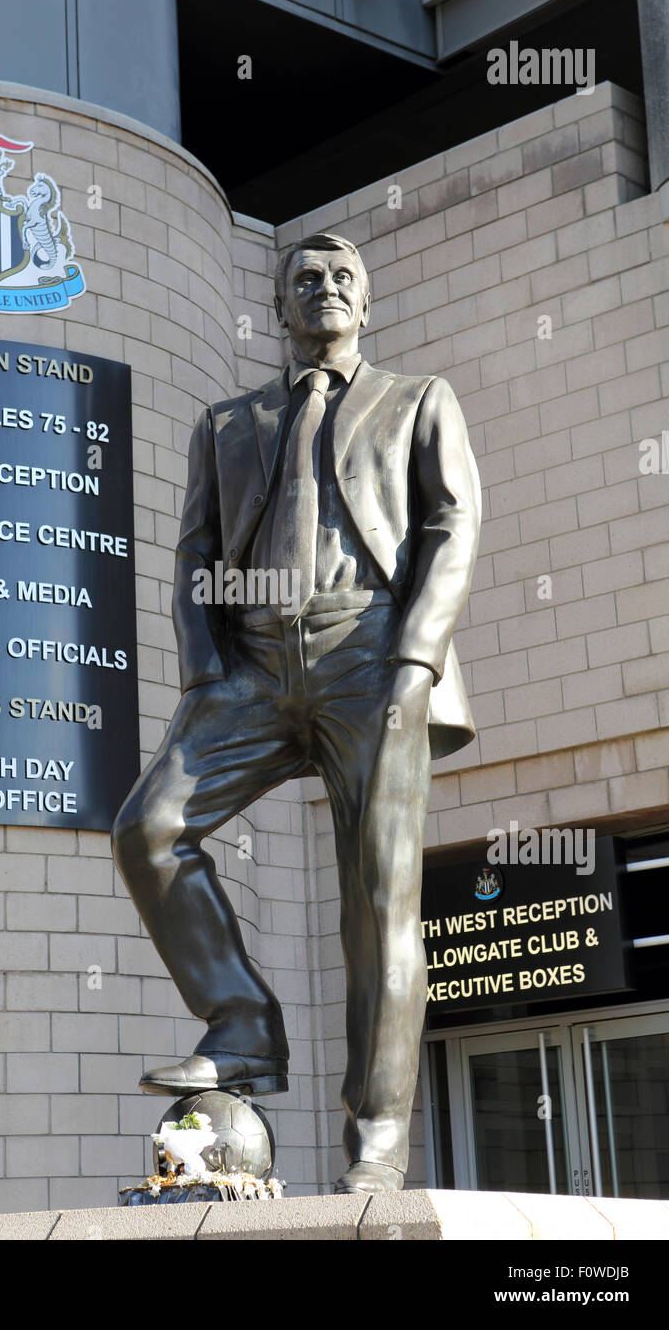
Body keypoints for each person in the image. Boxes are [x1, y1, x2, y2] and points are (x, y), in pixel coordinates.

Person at [112, 232, 481, 1193]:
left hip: (372, 652)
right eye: (305, 279)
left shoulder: (418, 401)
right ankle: (242, 1025)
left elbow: (453, 525)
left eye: (343, 279)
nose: (324, 289)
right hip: (252, 668)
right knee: (150, 829)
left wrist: (417, 661)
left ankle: (379, 1134)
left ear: (368, 304)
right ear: (280, 307)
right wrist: (203, 675)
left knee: (377, 899)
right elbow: (196, 554)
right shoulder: (226, 422)